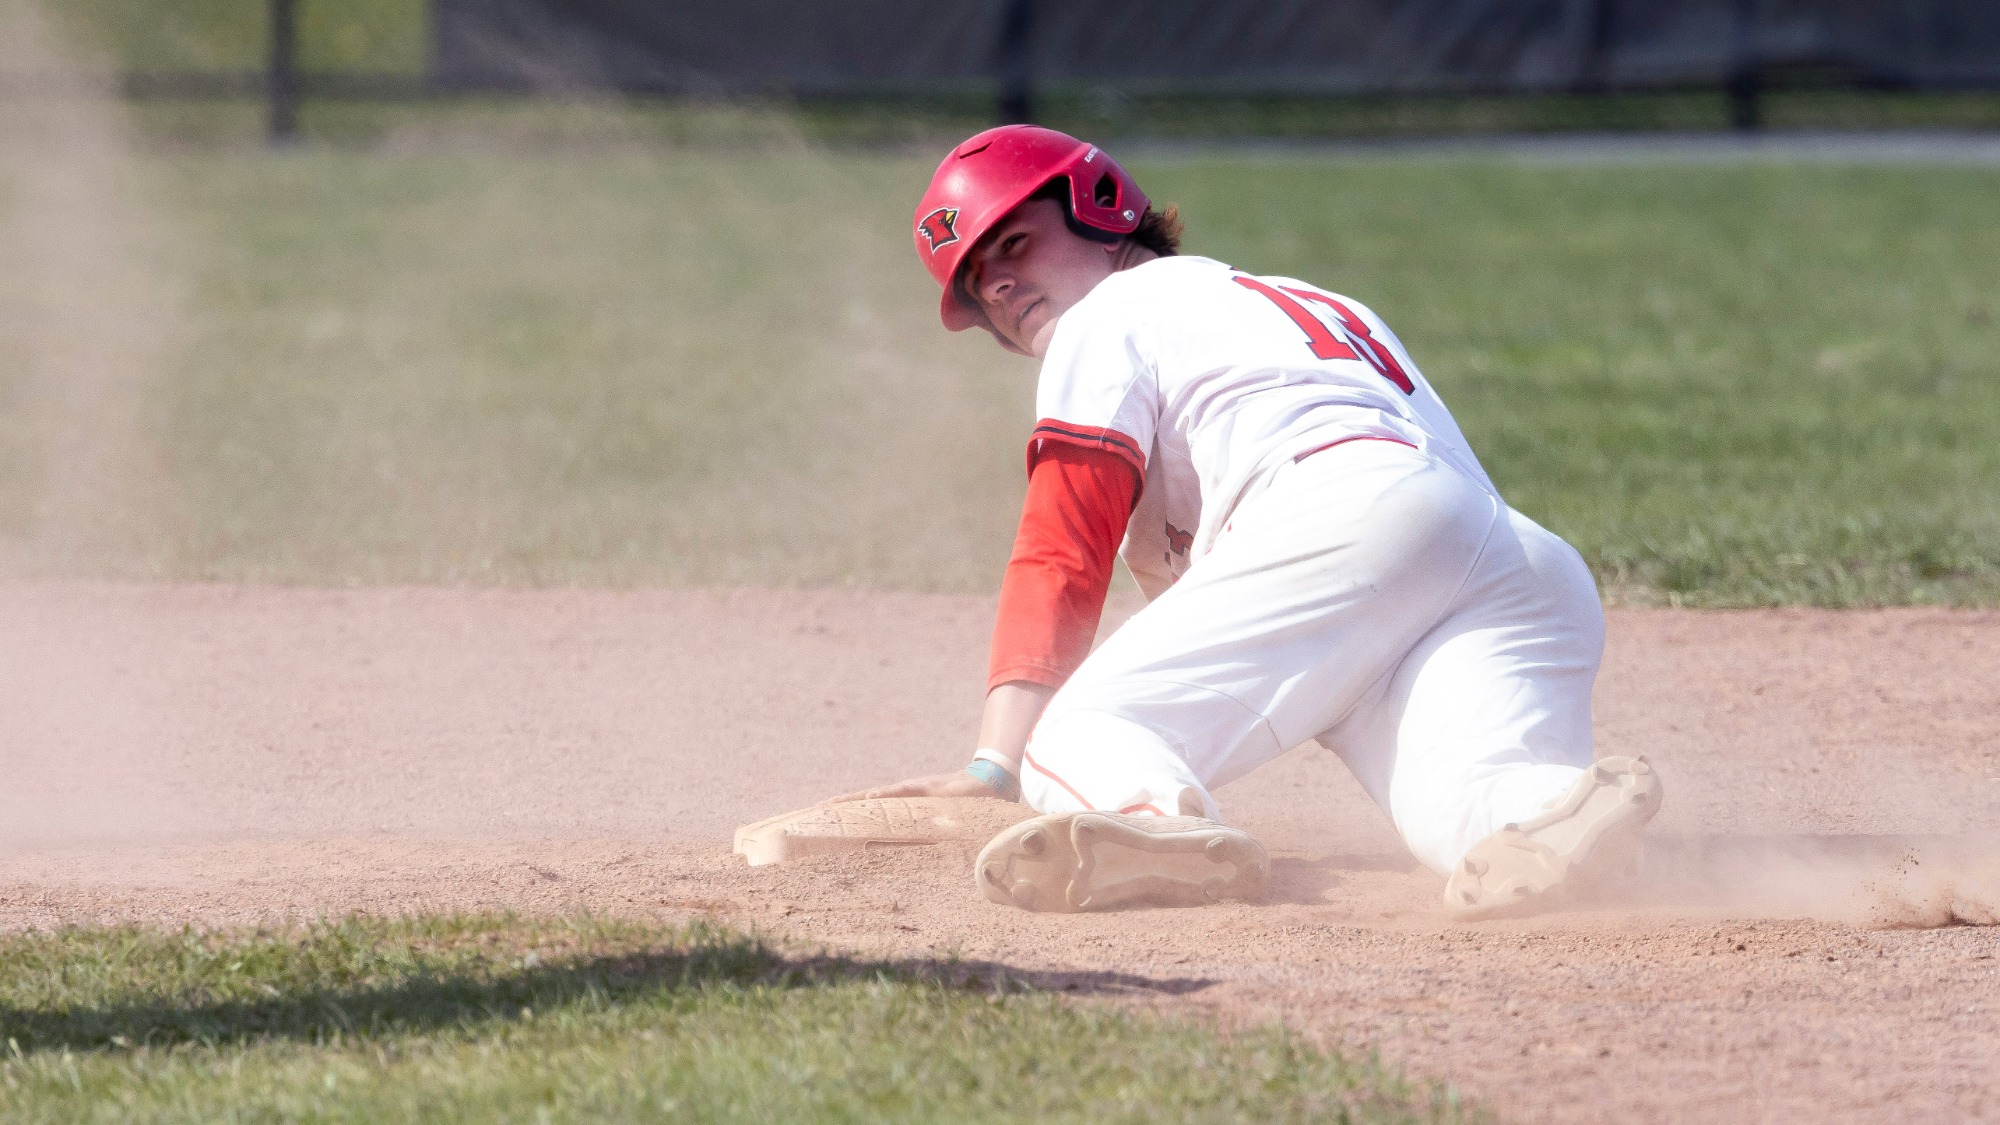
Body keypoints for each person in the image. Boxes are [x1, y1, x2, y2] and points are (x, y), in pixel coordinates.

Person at [833, 125, 1662, 919]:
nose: (999, 285)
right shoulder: (1307, 303)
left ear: (1101, 204)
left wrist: (995, 762)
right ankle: (1552, 811)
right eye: (979, 282)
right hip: (1503, 557)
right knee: (1467, 811)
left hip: (1344, 518)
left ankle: (1156, 829)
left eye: (1011, 242)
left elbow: (1061, 546)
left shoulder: (1110, 312)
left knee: (1073, 739)